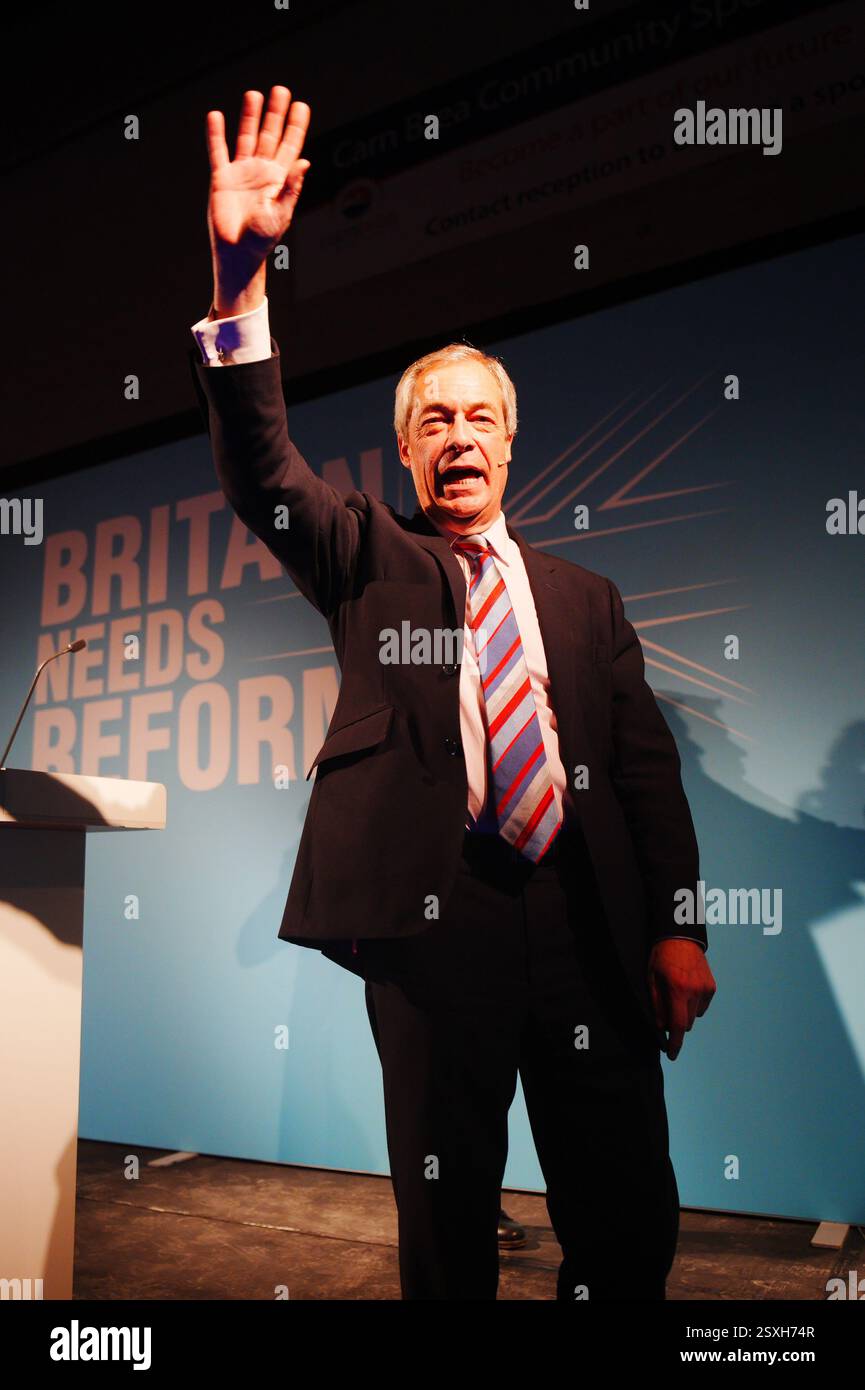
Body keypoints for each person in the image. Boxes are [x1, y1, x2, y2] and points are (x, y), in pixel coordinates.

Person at [188, 86, 717, 1301]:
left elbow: (645, 774)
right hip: (437, 932)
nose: (460, 432)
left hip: (588, 927)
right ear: (410, 450)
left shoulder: (586, 600)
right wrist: (237, 293)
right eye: (436, 419)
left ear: (511, 442)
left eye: (481, 414)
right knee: (445, 1224)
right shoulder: (366, 551)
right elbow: (264, 466)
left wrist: (678, 922)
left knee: (626, 1215)